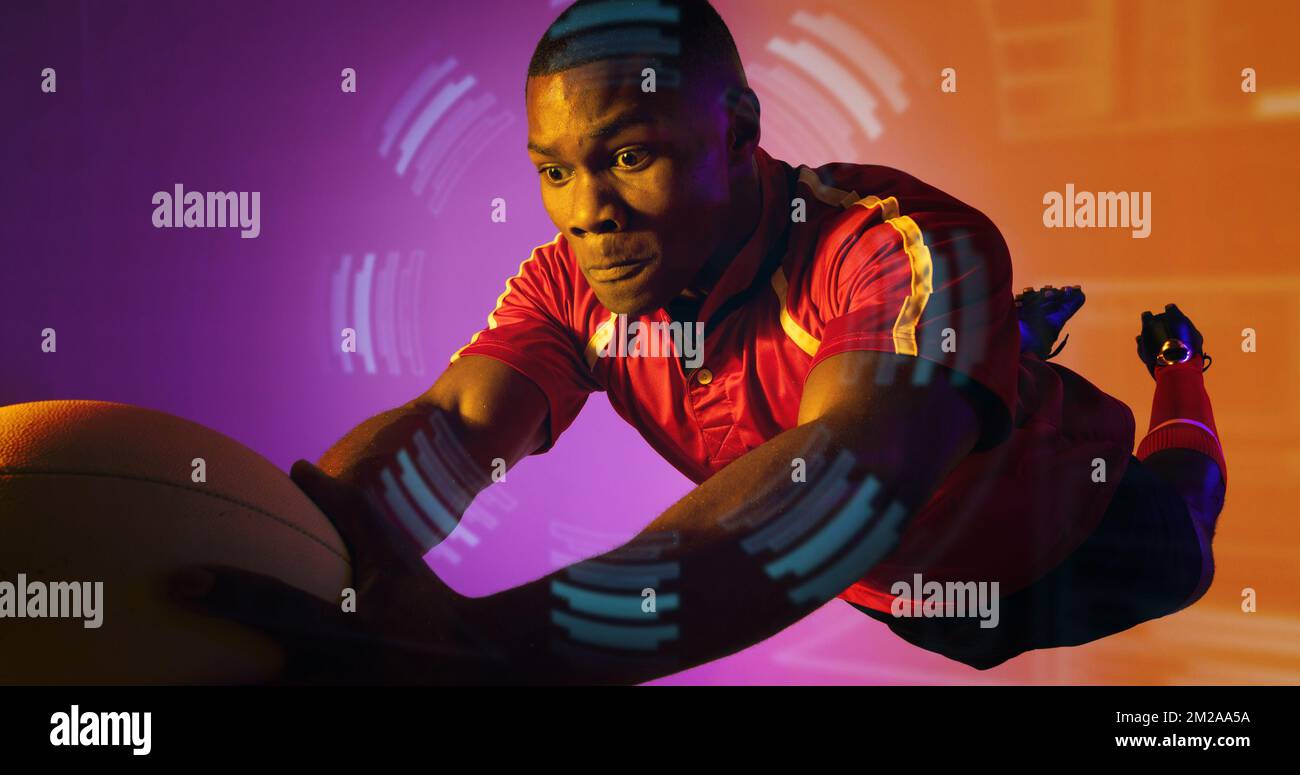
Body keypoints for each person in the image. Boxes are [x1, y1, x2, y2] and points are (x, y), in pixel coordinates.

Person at [171, 0, 1227, 683]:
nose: (586, 214)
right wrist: (319, 548)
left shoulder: (905, 245)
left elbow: (834, 495)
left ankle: (1172, 364)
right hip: (911, 600)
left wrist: (476, 647)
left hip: (1089, 531)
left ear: (735, 131)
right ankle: (1002, 353)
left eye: (628, 155)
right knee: (942, 401)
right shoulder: (566, 284)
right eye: (553, 170)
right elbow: (453, 426)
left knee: (1190, 506)